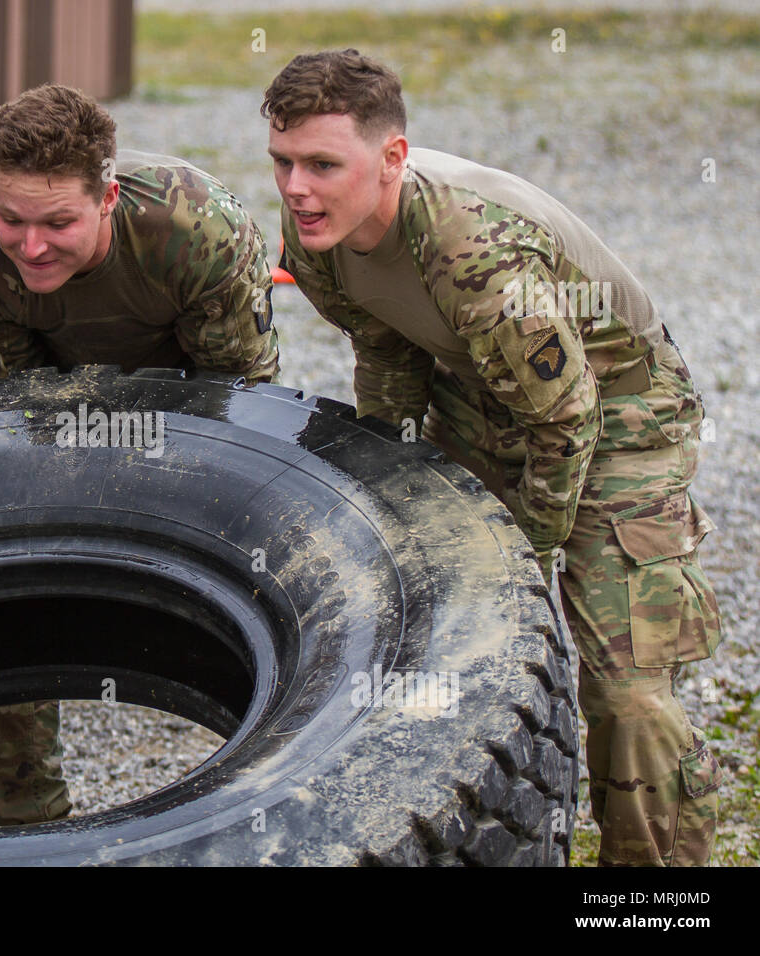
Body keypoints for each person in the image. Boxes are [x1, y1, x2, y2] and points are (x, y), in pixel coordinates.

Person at [264, 49, 722, 866]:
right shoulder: (317, 238)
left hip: (618, 421)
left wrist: (528, 558)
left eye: (323, 164)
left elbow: (567, 424)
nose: (296, 187)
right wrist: (382, 478)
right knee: (434, 626)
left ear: (391, 158)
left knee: (625, 687)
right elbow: (386, 346)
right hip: (483, 396)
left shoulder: (474, 254)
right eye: (283, 161)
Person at [0, 83, 280, 826]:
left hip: (188, 406)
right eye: (12, 218)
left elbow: (239, 416)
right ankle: (22, 828)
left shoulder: (197, 230)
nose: (29, 245)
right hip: (47, 411)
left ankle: (257, 806)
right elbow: (9, 421)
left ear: (108, 197)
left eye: (58, 222)